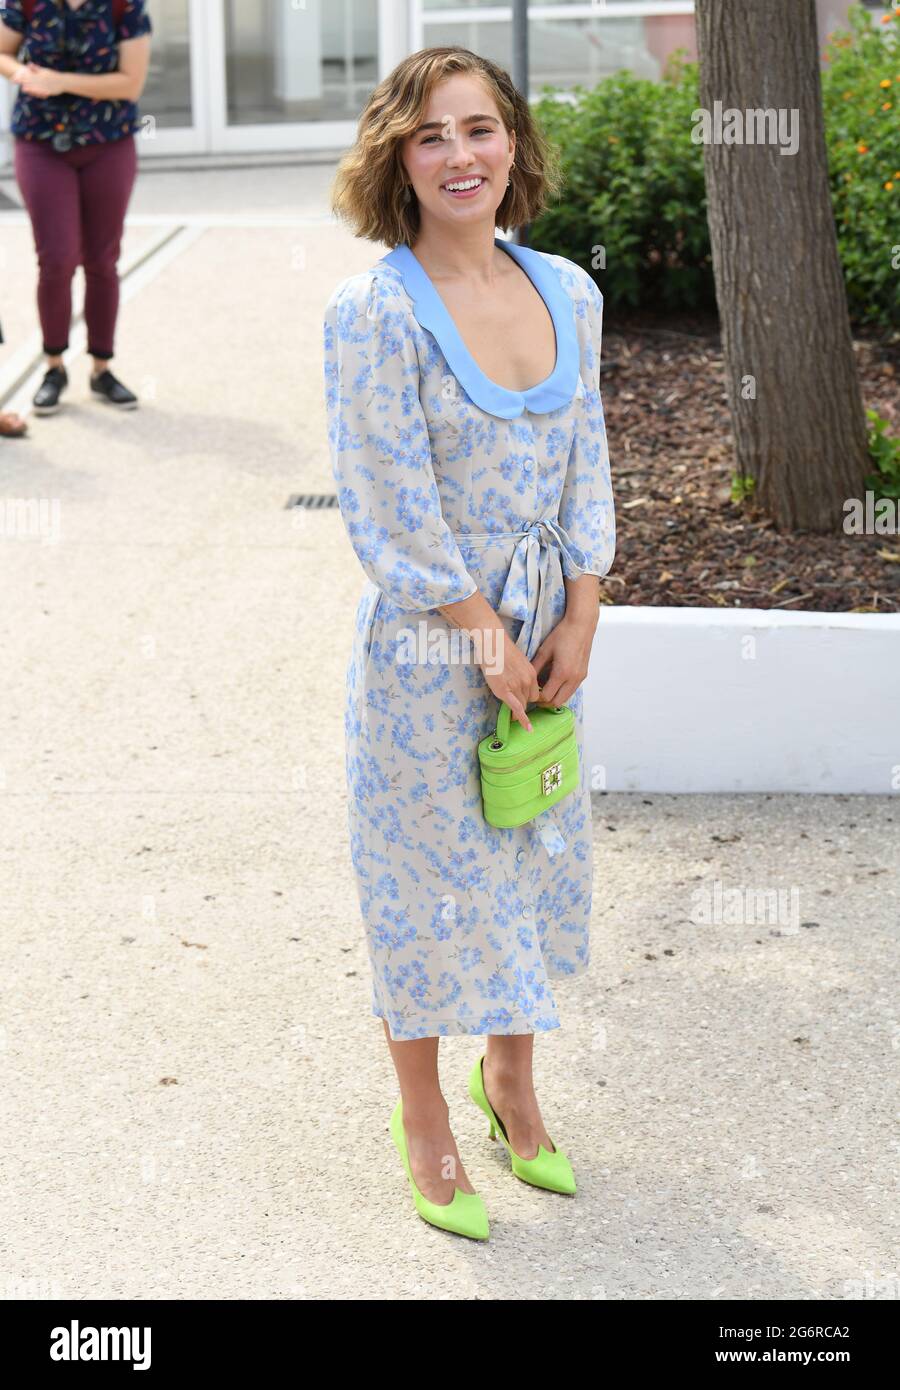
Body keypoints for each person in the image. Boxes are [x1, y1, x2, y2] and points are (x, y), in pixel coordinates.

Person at [324, 46, 616, 1240]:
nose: (461, 155)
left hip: (547, 629)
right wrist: (478, 629)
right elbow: (386, 500)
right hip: (426, 650)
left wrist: (582, 609)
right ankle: (423, 1116)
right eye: (432, 134)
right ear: (398, 156)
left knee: (529, 851)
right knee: (425, 879)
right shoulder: (375, 310)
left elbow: (588, 457)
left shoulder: (569, 291)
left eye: (480, 129)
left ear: (513, 148)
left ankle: (512, 1081)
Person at [0, 0, 151, 414]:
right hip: (40, 144)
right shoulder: (26, 3)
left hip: (109, 144)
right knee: (57, 258)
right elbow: (2, 52)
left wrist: (58, 80)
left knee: (102, 259)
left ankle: (101, 369)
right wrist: (24, 75)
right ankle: (54, 366)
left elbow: (130, 83)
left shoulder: (125, 6)